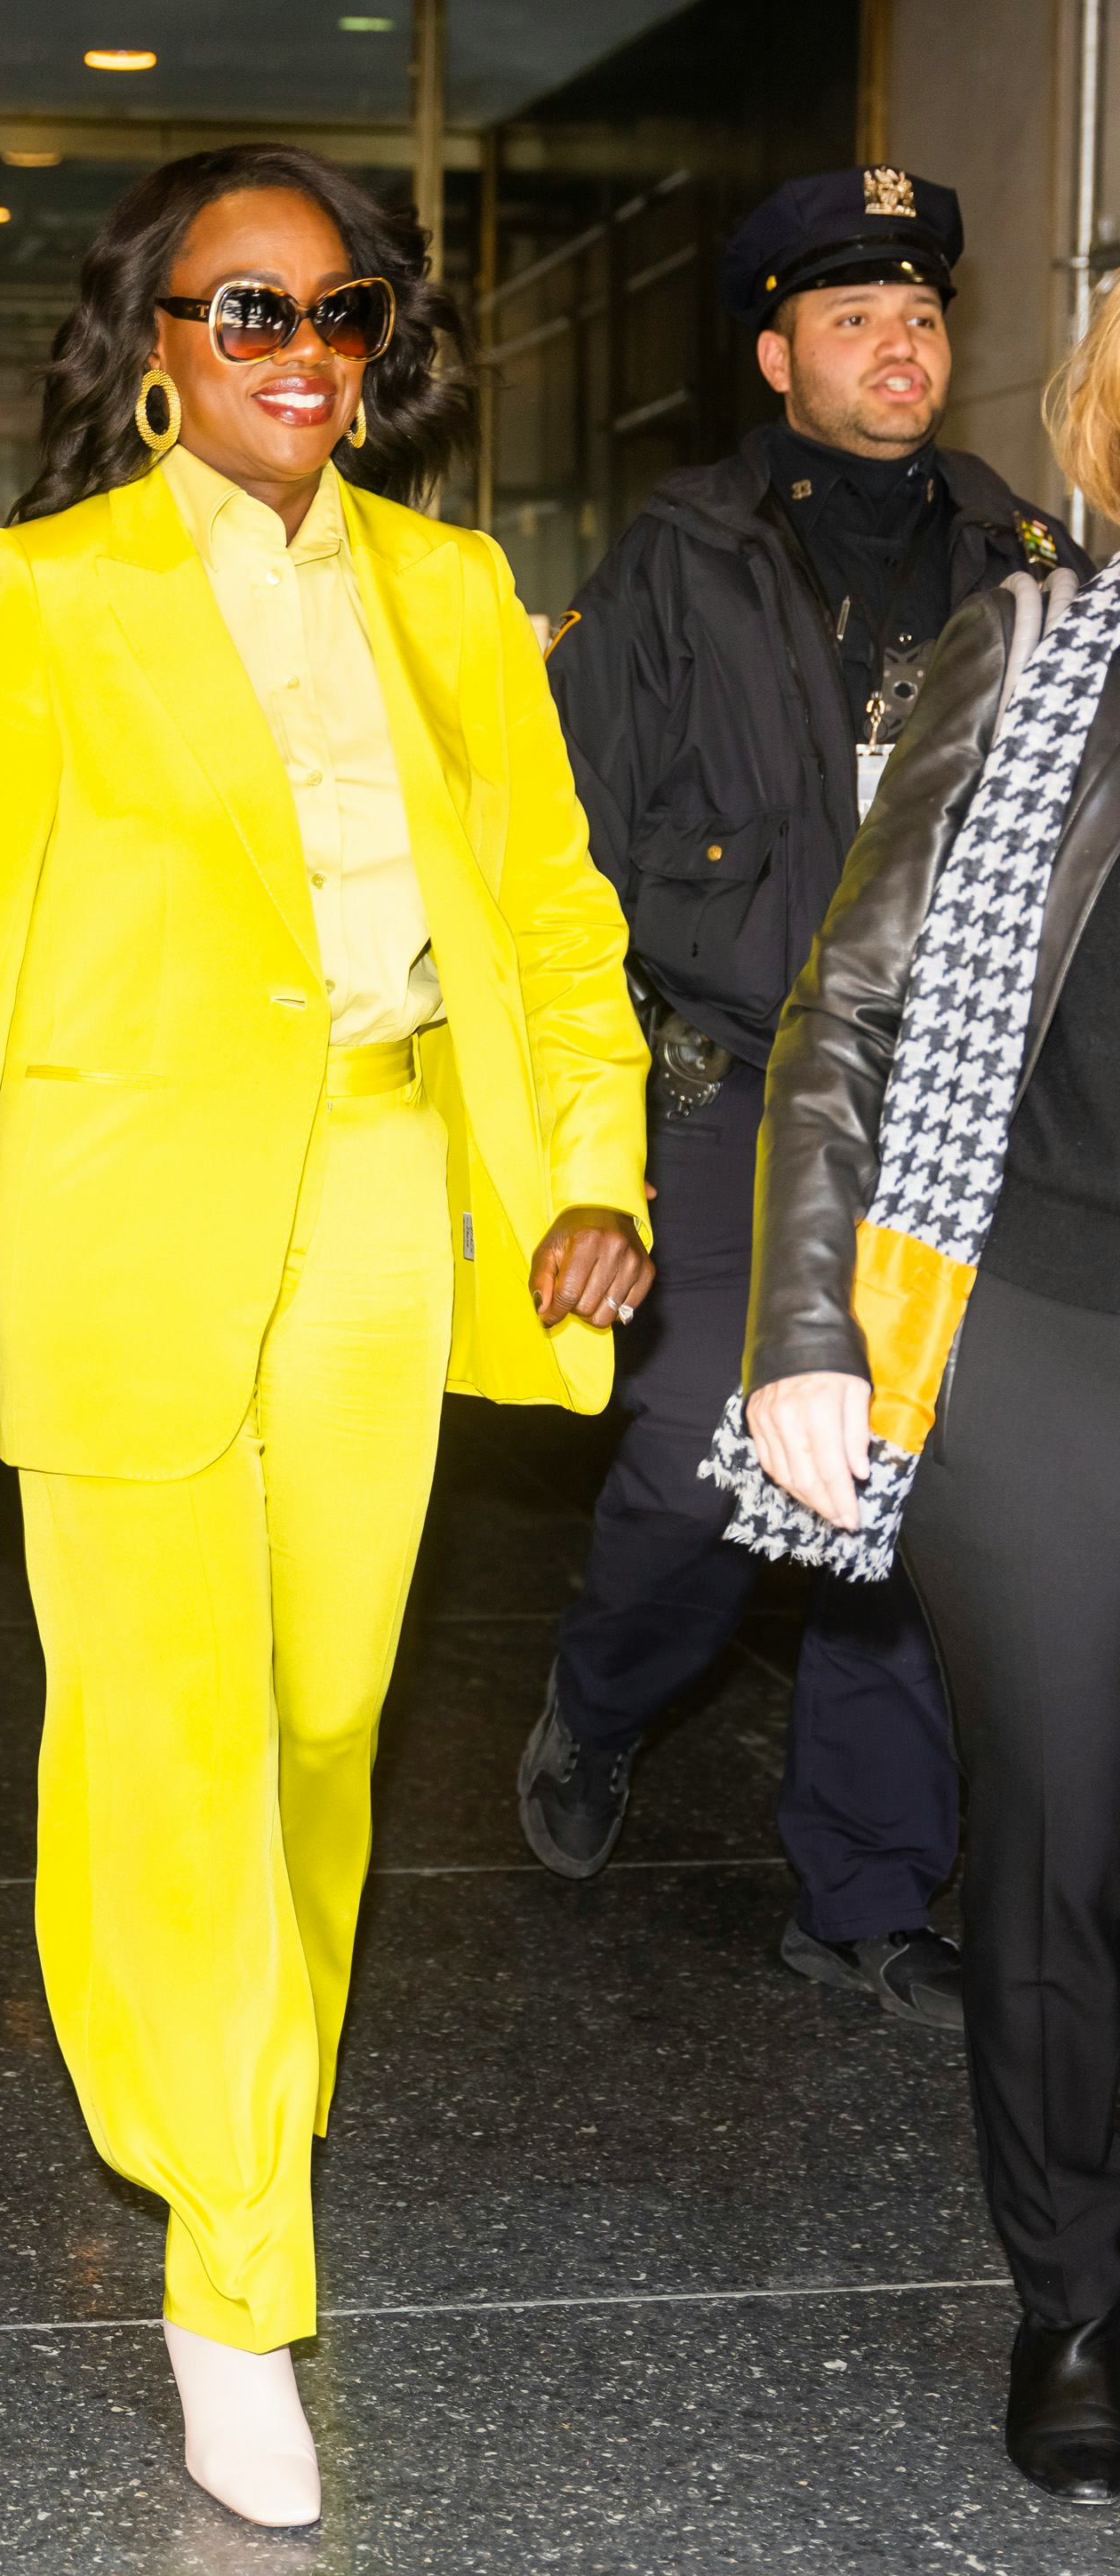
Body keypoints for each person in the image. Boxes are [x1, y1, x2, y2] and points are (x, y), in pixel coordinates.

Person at [0, 143, 651, 2527]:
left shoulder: (456, 588)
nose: (306, 357)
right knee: (171, 1750)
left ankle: (238, 2094)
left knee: (316, 1738)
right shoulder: (50, 593)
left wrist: (589, 1173)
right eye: (250, 314)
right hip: (110, 1228)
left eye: (344, 314)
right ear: (158, 343)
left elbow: (553, 920)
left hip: (392, 1207)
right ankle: (234, 2269)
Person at [518, 165, 1088, 2028]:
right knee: (707, 1450)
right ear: (776, 357)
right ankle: (600, 1704)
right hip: (732, 1073)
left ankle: (855, 1889)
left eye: (918, 314)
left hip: (944, 1104)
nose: (897, 344)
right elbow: (572, 849)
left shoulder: (1023, 562)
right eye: (851, 318)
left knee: (905, 1478)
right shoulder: (681, 551)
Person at [732, 277, 1120, 2501]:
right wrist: (801, 1324)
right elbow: (848, 1004)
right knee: (1060, 1821)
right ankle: (1073, 2290)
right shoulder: (1030, 654)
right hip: (1044, 1329)